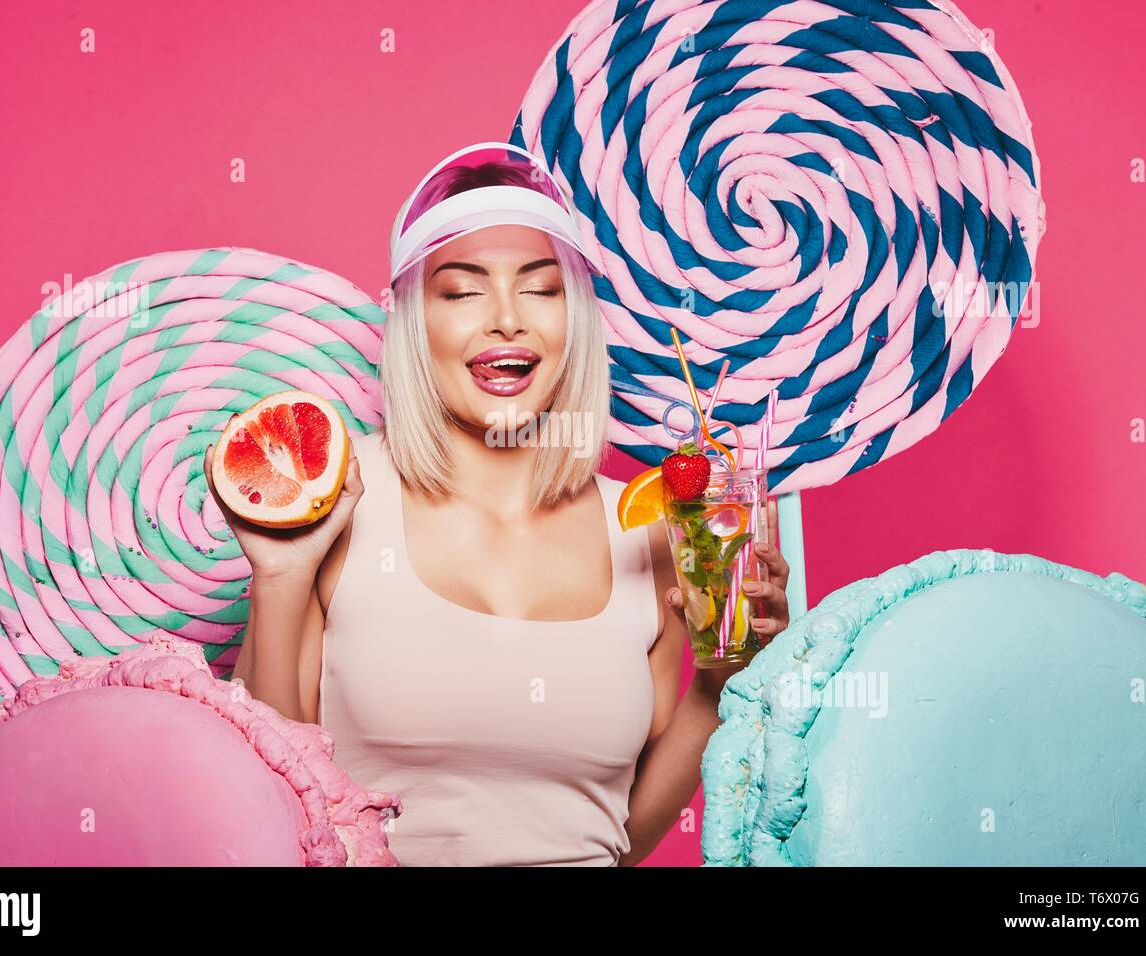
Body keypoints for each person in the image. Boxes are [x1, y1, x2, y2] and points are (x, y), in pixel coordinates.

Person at [203, 142, 792, 866]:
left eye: (541, 289)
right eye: (462, 291)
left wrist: (722, 682)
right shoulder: (342, 500)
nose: (508, 318)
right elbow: (270, 799)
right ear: (413, 321)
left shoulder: (650, 530)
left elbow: (617, 835)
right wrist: (280, 576)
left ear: (574, 317)